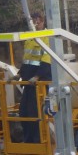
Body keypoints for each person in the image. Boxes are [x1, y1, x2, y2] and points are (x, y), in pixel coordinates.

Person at [17, 12, 52, 143]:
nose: (35, 23)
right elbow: (27, 60)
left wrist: (37, 77)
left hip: (41, 83)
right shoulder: (30, 38)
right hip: (28, 83)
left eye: (37, 21)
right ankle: (28, 139)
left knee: (34, 112)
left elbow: (47, 61)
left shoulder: (47, 38)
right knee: (23, 112)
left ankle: (37, 140)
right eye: (33, 21)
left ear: (42, 21)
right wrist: (19, 74)